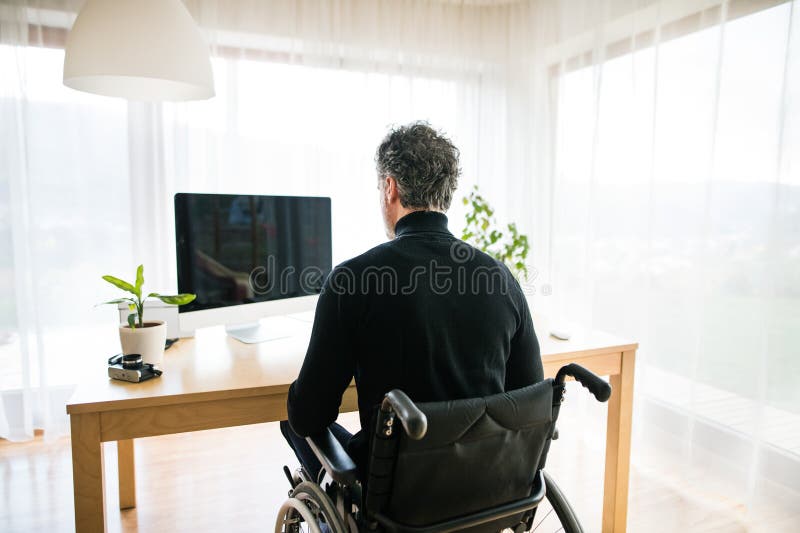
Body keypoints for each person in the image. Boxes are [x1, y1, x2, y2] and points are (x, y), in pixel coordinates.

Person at [280, 121, 543, 481]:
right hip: (488, 484)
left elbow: (310, 415)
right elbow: (529, 399)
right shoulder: (501, 278)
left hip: (397, 494)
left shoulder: (352, 279)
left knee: (292, 420)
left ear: (390, 187)